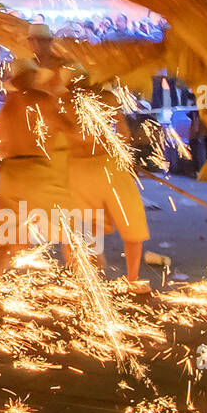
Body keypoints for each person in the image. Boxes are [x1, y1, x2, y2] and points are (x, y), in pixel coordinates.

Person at [0, 59, 74, 306]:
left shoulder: (7, 106)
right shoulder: (42, 100)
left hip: (9, 173)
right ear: (31, 78)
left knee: (7, 235)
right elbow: (69, 128)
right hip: (35, 171)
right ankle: (83, 282)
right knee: (72, 222)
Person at [66, 82, 150, 291]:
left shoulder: (64, 101)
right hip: (108, 166)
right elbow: (123, 134)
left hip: (77, 169)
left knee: (83, 223)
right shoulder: (108, 99)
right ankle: (133, 279)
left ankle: (82, 275)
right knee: (131, 222)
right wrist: (126, 159)